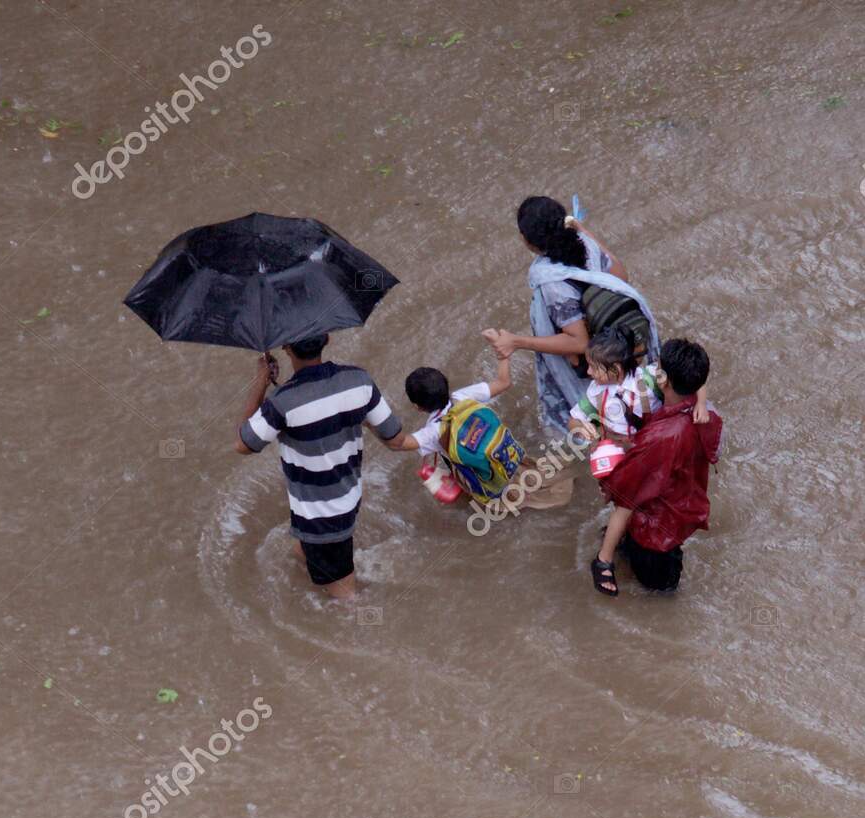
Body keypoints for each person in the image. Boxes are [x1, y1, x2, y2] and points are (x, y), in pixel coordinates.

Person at [234, 333, 404, 598]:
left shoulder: (281, 402)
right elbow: (392, 435)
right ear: (327, 338)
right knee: (304, 552)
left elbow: (244, 443)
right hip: (349, 496)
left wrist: (260, 381)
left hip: (320, 518)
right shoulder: (359, 380)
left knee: (347, 601)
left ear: (287, 348)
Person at [482, 196, 661, 438]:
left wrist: (516, 341)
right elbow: (620, 276)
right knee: (637, 404)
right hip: (624, 345)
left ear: (527, 240)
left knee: (604, 417)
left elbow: (579, 342)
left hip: (596, 360)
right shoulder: (584, 242)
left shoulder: (552, 283)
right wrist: (584, 230)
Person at [590, 338, 722, 596]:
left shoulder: (663, 437)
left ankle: (602, 560)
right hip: (676, 511)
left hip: (654, 534)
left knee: (660, 593)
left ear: (665, 381)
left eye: (658, 368)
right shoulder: (702, 413)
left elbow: (626, 490)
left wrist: (607, 484)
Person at [387, 354, 573, 510]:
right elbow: (504, 382)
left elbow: (398, 443)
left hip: (491, 483)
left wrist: (369, 420)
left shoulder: (432, 432)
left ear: (417, 407)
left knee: (496, 499)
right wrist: (503, 354)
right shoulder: (464, 396)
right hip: (511, 457)